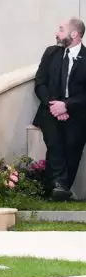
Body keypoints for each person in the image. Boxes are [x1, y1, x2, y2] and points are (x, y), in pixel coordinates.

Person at [34, 17, 86, 201]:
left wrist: (67, 105)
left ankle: (61, 187)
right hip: (49, 110)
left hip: (78, 113)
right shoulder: (51, 53)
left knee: (73, 146)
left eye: (61, 29)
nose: (57, 33)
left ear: (74, 34)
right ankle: (58, 185)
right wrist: (54, 105)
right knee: (55, 144)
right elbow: (40, 83)